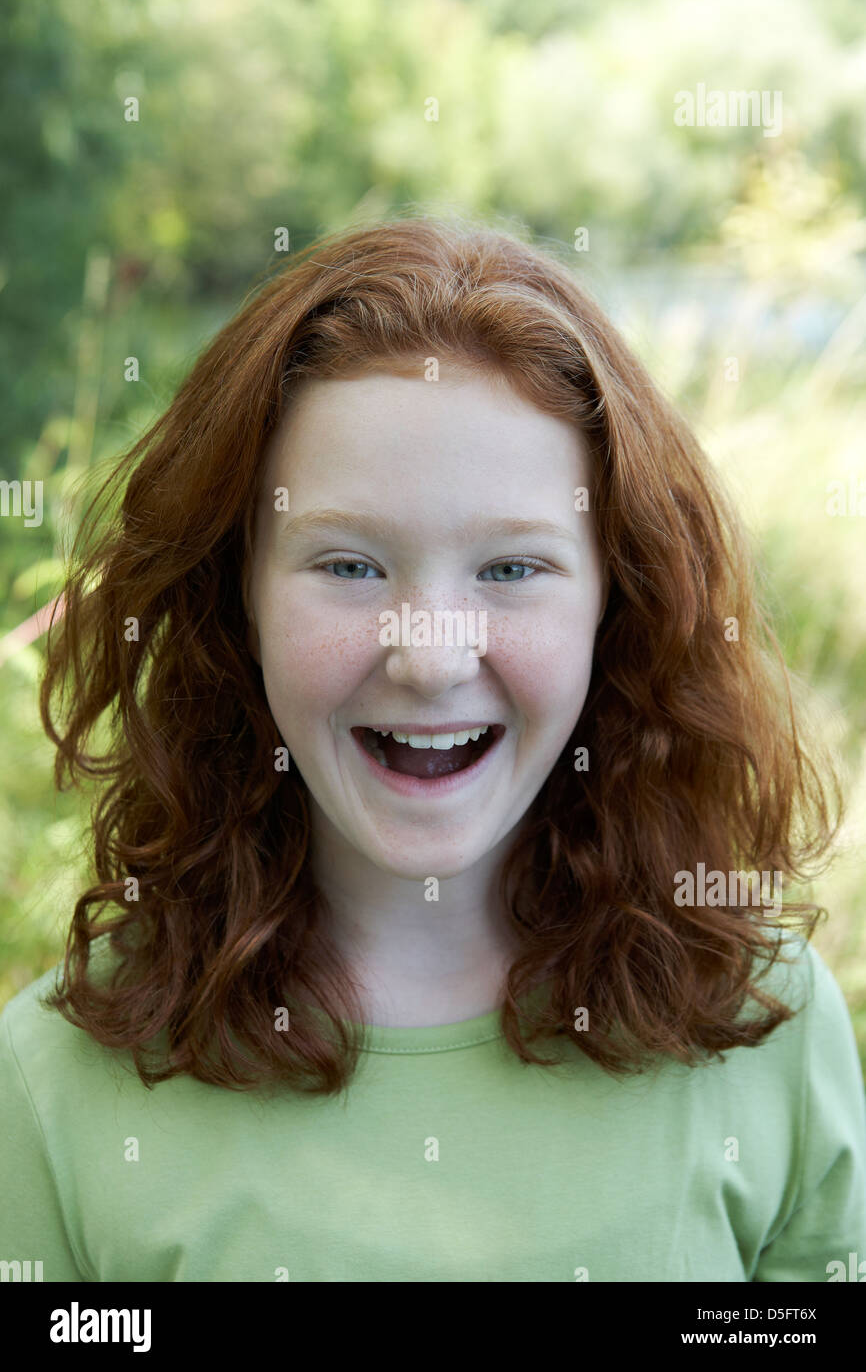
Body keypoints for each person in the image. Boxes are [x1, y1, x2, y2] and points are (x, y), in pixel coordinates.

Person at [1, 216, 864, 1282]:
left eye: (510, 569)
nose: (428, 656)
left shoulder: (762, 1023)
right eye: (349, 566)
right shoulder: (54, 1082)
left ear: (618, 601)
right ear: (237, 600)